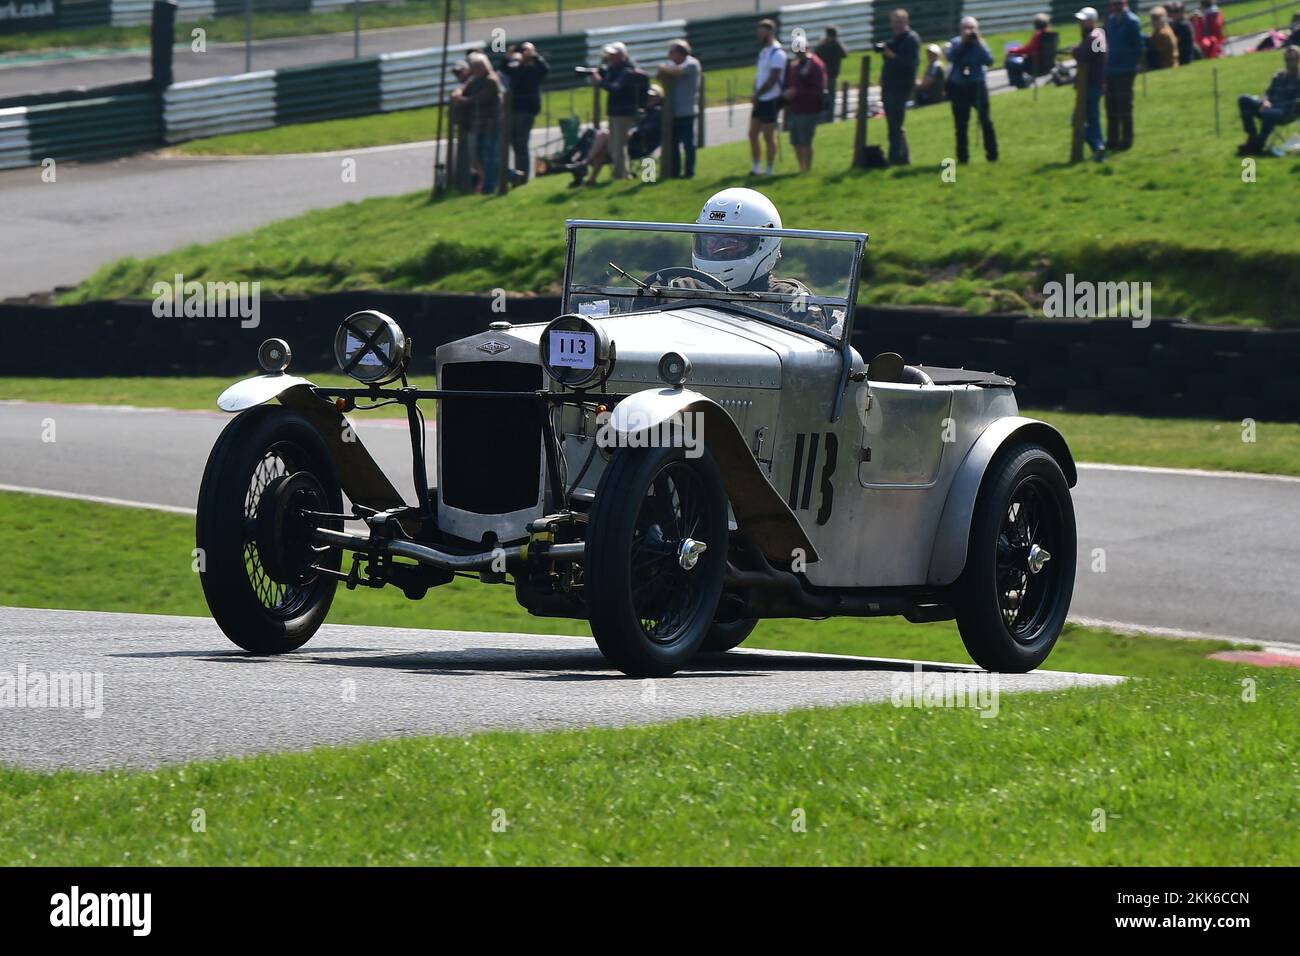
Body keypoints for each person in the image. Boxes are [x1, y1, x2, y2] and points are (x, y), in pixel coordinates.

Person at [689, 188, 831, 330]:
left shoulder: (792, 301)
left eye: (731, 243)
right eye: (710, 241)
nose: (716, 251)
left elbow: (813, 349)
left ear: (765, 243)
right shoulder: (680, 289)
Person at [581, 85, 664, 185]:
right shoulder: (642, 110)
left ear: (659, 98)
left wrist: (633, 131)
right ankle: (591, 178)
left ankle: (584, 163)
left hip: (641, 145)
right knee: (602, 142)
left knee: (603, 135)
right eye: (648, 97)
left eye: (653, 97)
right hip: (628, 142)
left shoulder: (658, 112)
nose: (649, 99)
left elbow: (650, 129)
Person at [946, 17, 998, 163]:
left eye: (971, 28)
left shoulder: (981, 43)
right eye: (966, 28)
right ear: (960, 29)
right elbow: (950, 57)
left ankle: (992, 155)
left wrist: (979, 43)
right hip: (959, 87)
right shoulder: (956, 42)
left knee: (986, 121)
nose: (969, 31)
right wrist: (963, 42)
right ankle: (963, 158)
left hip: (977, 85)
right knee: (961, 125)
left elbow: (990, 61)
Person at [590, 41, 643, 182]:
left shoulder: (627, 70)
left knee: (619, 144)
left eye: (613, 55)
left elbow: (615, 87)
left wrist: (600, 81)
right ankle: (622, 173)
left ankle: (621, 175)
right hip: (615, 111)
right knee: (614, 144)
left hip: (624, 112)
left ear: (621, 55)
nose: (610, 57)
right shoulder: (614, 68)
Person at [452, 52, 502, 194]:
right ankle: (507, 176)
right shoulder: (476, 79)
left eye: (476, 67)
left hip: (490, 124)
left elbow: (480, 98)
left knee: (489, 156)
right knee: (477, 157)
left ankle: (490, 187)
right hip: (478, 124)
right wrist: (458, 92)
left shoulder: (491, 80)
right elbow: (464, 86)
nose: (474, 71)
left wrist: (463, 101)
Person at [500, 41, 549, 183]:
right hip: (512, 109)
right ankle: (516, 175)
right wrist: (509, 55)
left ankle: (522, 177)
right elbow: (503, 69)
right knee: (511, 144)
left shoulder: (535, 69)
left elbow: (545, 68)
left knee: (521, 144)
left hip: (526, 110)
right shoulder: (515, 67)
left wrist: (534, 55)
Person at [1237, 45, 1300, 155]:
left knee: (1271, 113)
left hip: (1285, 111)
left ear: (1298, 60)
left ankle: (1259, 145)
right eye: (1287, 60)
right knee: (1243, 99)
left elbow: (1296, 101)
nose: (1289, 62)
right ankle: (1252, 137)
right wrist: (1266, 101)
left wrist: (1276, 106)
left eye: (1292, 60)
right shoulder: (1279, 75)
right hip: (1268, 106)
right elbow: (1268, 92)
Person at [880, 9, 921, 166]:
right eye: (894, 22)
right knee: (893, 123)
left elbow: (910, 64)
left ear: (906, 22)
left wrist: (893, 56)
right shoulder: (896, 39)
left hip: (901, 86)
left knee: (895, 124)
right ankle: (902, 158)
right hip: (890, 85)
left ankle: (895, 158)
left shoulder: (911, 39)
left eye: (899, 22)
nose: (896, 25)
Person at [657, 39, 701, 178]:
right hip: (672, 111)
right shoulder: (671, 65)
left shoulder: (692, 64)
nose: (669, 55)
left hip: (687, 111)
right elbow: (660, 76)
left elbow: (677, 72)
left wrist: (663, 68)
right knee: (673, 145)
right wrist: (663, 70)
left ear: (680, 53)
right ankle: (674, 172)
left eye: (672, 52)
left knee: (689, 144)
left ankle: (689, 172)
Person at [749, 18, 787, 175]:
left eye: (762, 32)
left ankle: (769, 167)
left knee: (768, 135)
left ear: (770, 33)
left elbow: (772, 79)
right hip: (760, 98)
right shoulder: (763, 52)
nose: (759, 35)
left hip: (770, 99)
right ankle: (756, 166)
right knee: (752, 133)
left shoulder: (777, 53)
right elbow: (760, 76)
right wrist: (754, 91)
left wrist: (758, 94)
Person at [783, 41, 826, 172]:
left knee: (805, 140)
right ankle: (801, 167)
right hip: (795, 108)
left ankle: (807, 169)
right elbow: (789, 83)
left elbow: (818, 90)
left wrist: (797, 92)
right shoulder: (794, 66)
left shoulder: (815, 65)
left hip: (809, 109)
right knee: (795, 141)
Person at [1104, 0, 1141, 151]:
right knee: (1111, 107)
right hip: (1110, 70)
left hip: (1125, 71)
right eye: (1114, 4)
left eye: (1119, 3)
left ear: (1125, 3)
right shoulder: (1111, 20)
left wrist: (1127, 65)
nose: (1116, 7)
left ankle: (1126, 141)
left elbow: (1138, 47)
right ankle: (1112, 140)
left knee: (1124, 107)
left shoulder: (1132, 21)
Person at [1074, 6, 1108, 162]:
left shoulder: (1095, 36)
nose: (1081, 23)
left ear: (1092, 21)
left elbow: (1084, 54)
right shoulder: (1094, 35)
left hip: (1092, 83)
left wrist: (1076, 50)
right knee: (1093, 118)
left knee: (1080, 119)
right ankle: (1098, 147)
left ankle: (1097, 145)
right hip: (1093, 83)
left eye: (1084, 20)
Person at [1005, 13, 1052, 89]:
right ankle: (1022, 82)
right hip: (1046, 63)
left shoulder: (1039, 35)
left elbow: (1028, 49)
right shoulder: (1050, 34)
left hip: (1035, 65)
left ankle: (1020, 84)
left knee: (1010, 62)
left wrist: (1013, 50)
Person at [814, 25, 849, 118]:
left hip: (824, 75)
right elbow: (845, 54)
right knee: (831, 98)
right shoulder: (837, 45)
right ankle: (829, 117)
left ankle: (823, 117)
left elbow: (815, 55)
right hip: (832, 75)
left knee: (824, 97)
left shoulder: (823, 45)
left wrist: (821, 43)